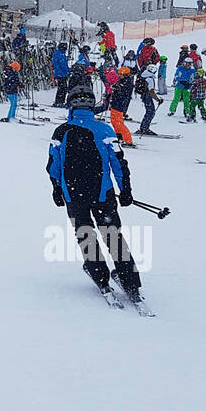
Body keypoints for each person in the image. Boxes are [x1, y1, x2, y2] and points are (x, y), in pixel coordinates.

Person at [46, 82, 143, 302]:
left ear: (70, 104)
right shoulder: (105, 130)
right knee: (113, 235)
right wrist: (125, 189)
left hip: (73, 195)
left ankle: (100, 277)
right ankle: (130, 281)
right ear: (92, 106)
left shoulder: (61, 132)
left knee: (85, 234)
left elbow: (54, 165)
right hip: (103, 194)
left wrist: (56, 188)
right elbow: (119, 163)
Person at [106, 65, 135, 145]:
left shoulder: (128, 82)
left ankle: (128, 140)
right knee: (114, 121)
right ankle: (119, 136)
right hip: (115, 103)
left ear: (125, 74)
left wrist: (118, 90)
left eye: (121, 74)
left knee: (119, 122)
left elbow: (124, 93)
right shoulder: (122, 81)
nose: (119, 76)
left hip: (120, 104)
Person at [134, 64, 164, 136]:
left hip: (144, 95)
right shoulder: (150, 78)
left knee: (149, 111)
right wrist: (158, 99)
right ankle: (145, 128)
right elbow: (151, 91)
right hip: (147, 96)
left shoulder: (144, 75)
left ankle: (143, 127)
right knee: (151, 112)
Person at [51, 42, 71, 106]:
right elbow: (63, 65)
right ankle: (60, 102)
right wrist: (69, 70)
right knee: (63, 88)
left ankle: (59, 101)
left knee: (61, 88)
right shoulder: (61, 55)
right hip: (61, 74)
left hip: (58, 73)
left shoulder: (57, 53)